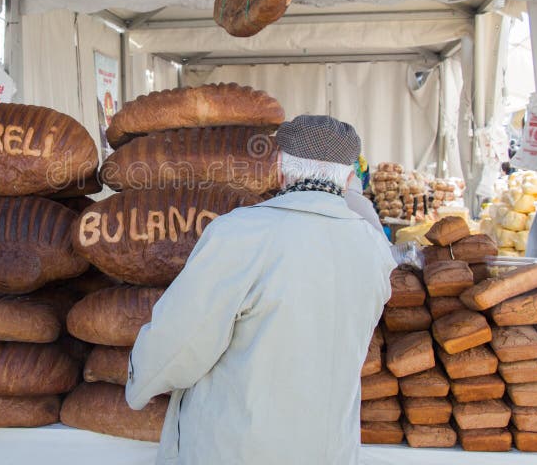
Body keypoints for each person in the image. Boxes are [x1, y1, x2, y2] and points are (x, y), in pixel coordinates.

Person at [126, 115, 396, 465]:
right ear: (348, 178)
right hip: (330, 450)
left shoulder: (241, 234)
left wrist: (139, 385)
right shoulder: (374, 250)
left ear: (280, 168)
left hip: (237, 449)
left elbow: (180, 344)